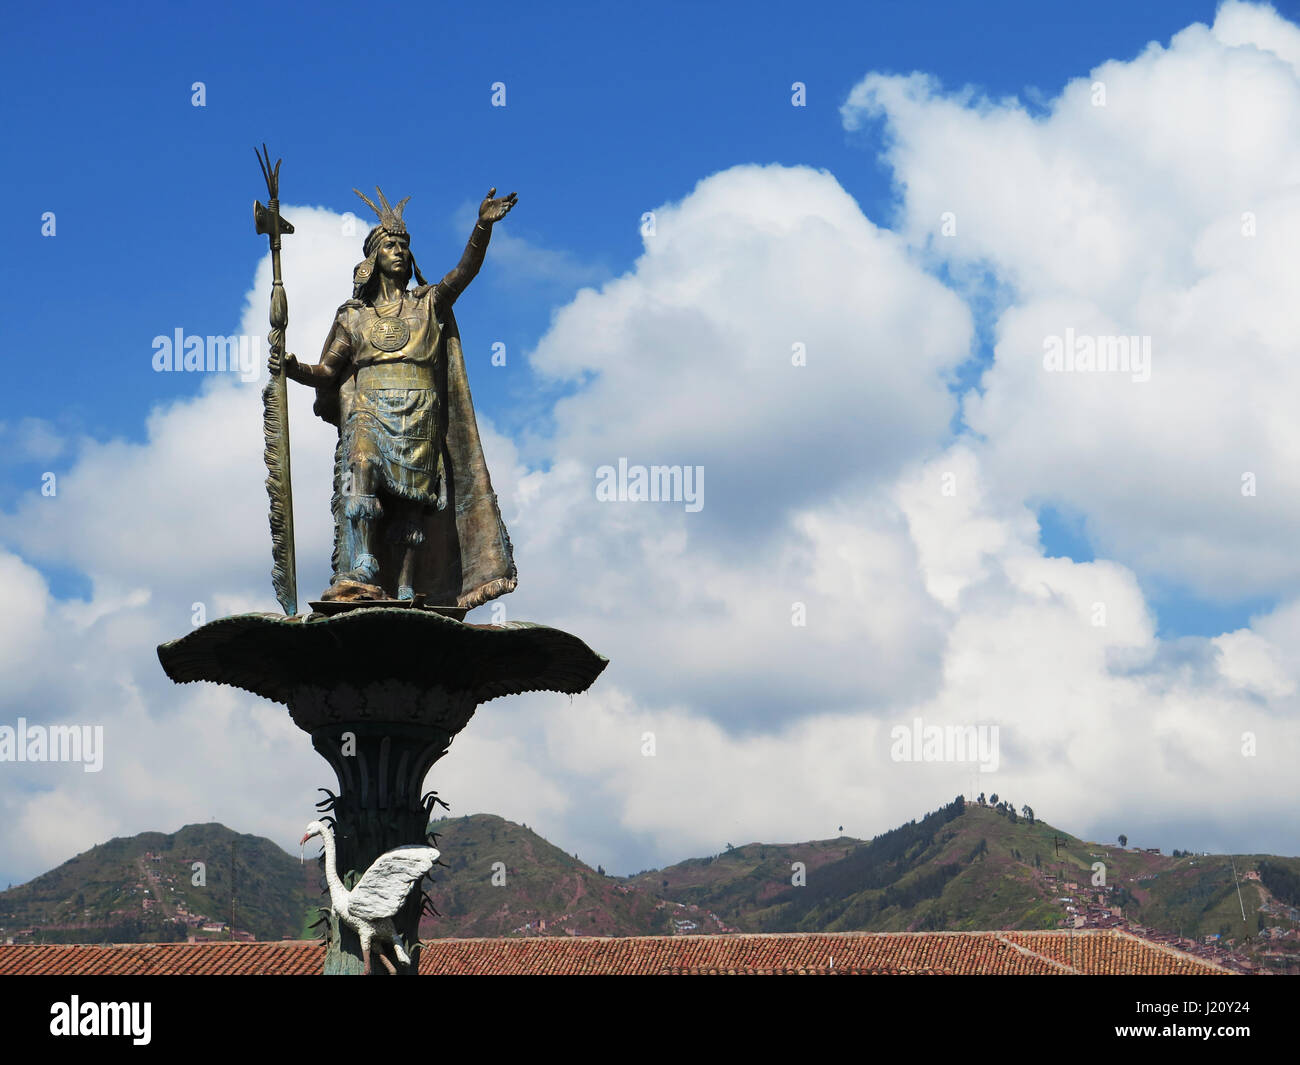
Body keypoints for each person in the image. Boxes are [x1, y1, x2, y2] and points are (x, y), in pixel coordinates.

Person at [270, 186, 519, 607]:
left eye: (404, 245)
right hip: (369, 410)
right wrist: (292, 368)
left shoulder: (429, 304)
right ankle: (363, 561)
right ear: (372, 259)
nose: (399, 252)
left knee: (410, 505)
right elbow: (328, 371)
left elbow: (464, 273)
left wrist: (482, 227)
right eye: (390, 245)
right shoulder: (353, 317)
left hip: (420, 413)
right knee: (360, 465)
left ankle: (405, 583)